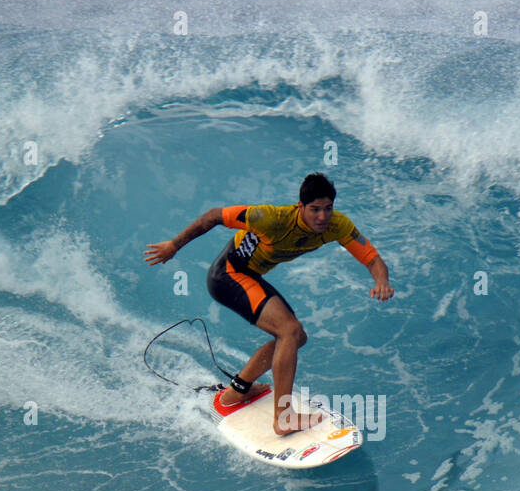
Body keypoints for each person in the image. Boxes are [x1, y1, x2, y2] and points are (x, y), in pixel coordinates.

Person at [143, 173, 393, 435]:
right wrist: (173, 245)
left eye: (328, 209)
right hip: (227, 275)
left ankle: (236, 392)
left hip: (249, 276)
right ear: (300, 207)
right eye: (315, 210)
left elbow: (372, 258)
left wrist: (382, 281)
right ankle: (283, 418)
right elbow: (213, 215)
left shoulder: (337, 225)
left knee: (297, 337)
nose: (322, 217)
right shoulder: (271, 218)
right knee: (289, 331)